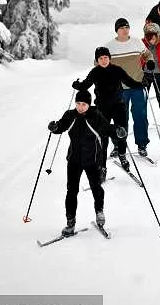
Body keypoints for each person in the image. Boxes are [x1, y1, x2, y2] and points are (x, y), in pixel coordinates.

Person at [47, 90, 126, 235]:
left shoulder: (96, 116)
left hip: (92, 160)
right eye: (78, 104)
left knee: (96, 188)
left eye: (84, 104)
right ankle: (70, 222)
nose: (80, 107)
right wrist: (55, 127)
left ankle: (99, 211)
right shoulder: (70, 115)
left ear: (89, 104)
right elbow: (61, 125)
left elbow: (108, 128)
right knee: (71, 191)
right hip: (74, 160)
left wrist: (118, 131)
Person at [71, 46, 145, 181]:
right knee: (102, 138)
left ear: (109, 58)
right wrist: (77, 85)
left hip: (118, 106)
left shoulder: (117, 70)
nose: (104, 60)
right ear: (97, 60)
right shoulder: (95, 72)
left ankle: (122, 154)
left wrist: (140, 84)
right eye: (101, 58)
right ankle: (102, 167)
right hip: (102, 109)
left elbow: (129, 81)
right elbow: (86, 85)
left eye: (106, 57)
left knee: (121, 132)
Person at [105, 18, 153, 157]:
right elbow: (98, 62)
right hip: (119, 89)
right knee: (120, 119)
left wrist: (149, 62)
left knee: (140, 116)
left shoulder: (136, 42)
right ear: (117, 30)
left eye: (127, 27)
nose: (125, 30)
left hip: (137, 85)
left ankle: (142, 145)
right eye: (121, 28)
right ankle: (118, 145)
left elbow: (148, 54)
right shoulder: (110, 47)